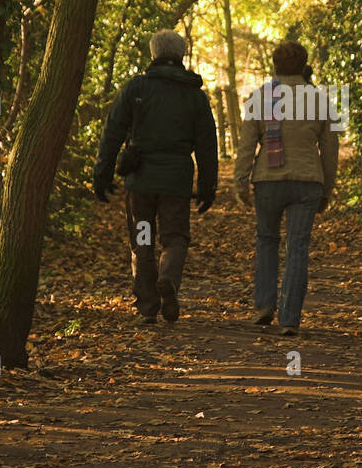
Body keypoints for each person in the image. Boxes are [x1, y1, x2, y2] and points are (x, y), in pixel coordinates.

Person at [93, 29, 218, 325]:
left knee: (143, 239)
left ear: (153, 54)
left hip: (141, 180)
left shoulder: (136, 89)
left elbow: (111, 134)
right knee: (175, 237)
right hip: (176, 180)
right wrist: (207, 186)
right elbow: (207, 144)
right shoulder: (194, 96)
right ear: (181, 55)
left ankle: (148, 306)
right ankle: (169, 279)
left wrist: (102, 174)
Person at [234, 41, 338, 336]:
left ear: (275, 65)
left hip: (268, 179)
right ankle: (290, 318)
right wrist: (327, 189)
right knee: (298, 248)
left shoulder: (260, 98)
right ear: (304, 64)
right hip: (307, 182)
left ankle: (264, 305)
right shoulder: (321, 100)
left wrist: (240, 181)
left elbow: (246, 146)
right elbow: (330, 151)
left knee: (266, 239)